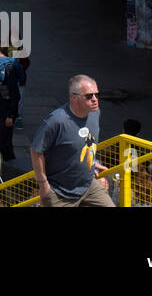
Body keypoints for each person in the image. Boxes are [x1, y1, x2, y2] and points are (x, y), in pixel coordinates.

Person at [30, 74, 113, 207]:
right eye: (89, 96)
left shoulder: (95, 113)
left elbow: (84, 141)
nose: (95, 99)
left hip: (87, 185)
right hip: (60, 192)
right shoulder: (56, 121)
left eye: (97, 94)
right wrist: (43, 184)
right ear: (73, 97)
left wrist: (92, 163)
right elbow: (36, 151)